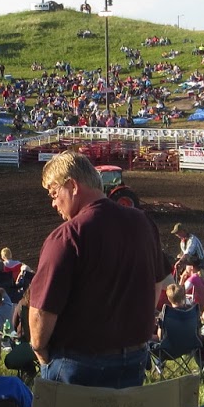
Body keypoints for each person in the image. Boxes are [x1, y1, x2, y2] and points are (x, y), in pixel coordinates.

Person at [28, 150, 166, 388]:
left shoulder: (66, 237)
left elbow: (42, 312)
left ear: (72, 186)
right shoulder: (143, 223)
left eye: (53, 193)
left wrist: (39, 349)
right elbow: (156, 285)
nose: (53, 203)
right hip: (134, 358)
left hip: (78, 364)